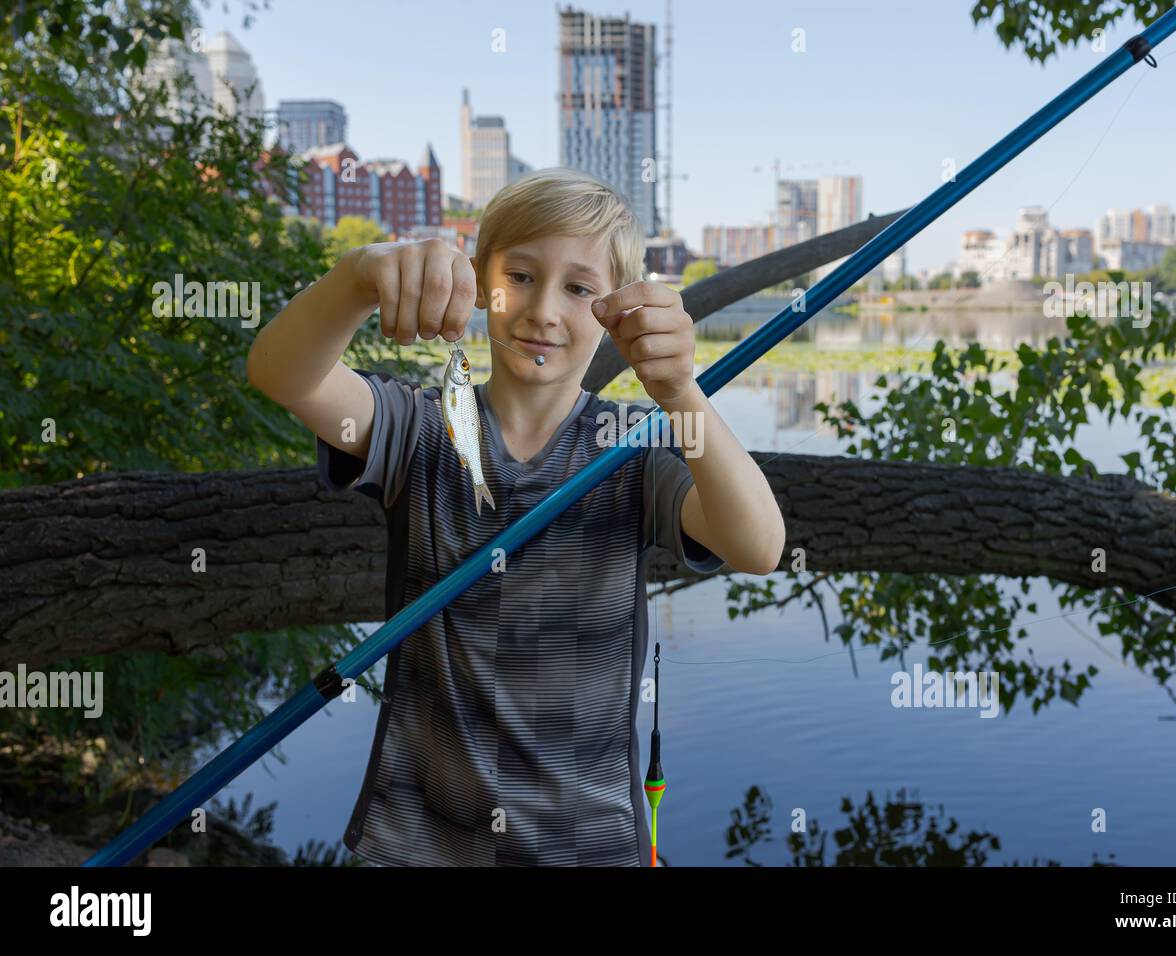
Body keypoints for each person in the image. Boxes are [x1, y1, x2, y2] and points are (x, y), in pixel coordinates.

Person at [247, 167, 785, 866]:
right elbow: (282, 373)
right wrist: (357, 276)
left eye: (579, 288)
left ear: (617, 308)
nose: (544, 311)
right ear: (478, 283)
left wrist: (683, 392)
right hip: (415, 842)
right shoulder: (420, 427)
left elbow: (759, 545)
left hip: (587, 846)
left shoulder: (633, 447)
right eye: (522, 277)